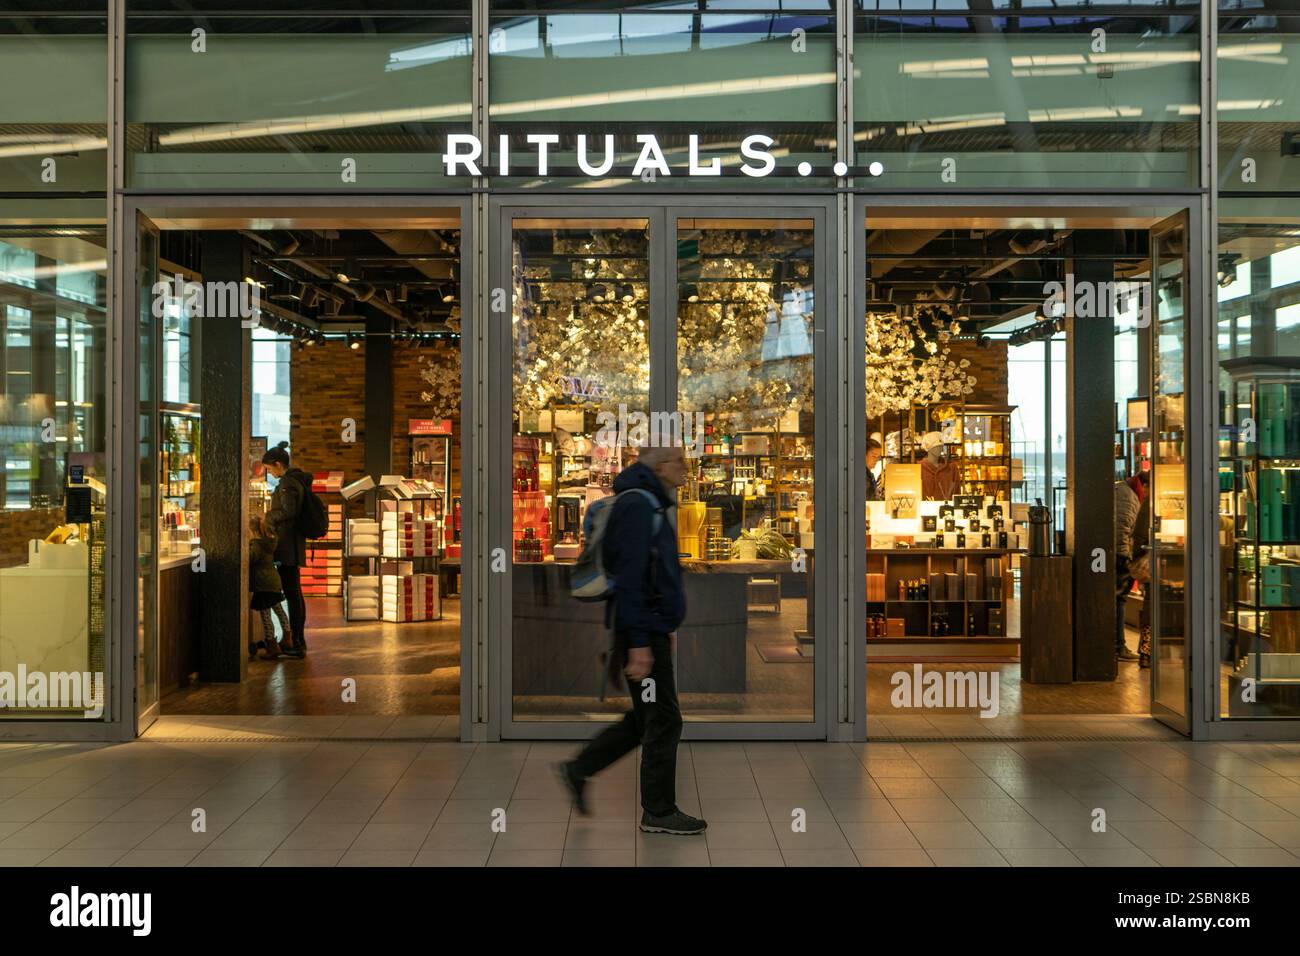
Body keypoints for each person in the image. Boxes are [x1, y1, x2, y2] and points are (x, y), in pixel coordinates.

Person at [557, 444, 707, 836]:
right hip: (641, 632)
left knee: (647, 716)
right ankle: (658, 810)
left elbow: (654, 574)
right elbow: (632, 578)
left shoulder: (649, 502)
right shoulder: (640, 506)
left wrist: (663, 628)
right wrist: (641, 642)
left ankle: (580, 768)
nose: (685, 469)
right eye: (679, 462)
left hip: (649, 629)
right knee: (663, 719)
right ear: (659, 466)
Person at [262, 441, 310, 658]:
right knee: (295, 594)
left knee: (292, 594)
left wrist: (268, 517)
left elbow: (288, 511)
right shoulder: (296, 481)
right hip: (293, 545)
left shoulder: (287, 484)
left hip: (287, 547)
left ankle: (296, 642)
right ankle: (297, 640)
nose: (269, 473)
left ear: (278, 464)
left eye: (269, 469)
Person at [1114, 469, 1152, 664]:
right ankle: (1119, 645)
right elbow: (1124, 529)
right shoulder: (1129, 497)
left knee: (1118, 599)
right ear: (1144, 486)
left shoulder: (1125, 491)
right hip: (1121, 555)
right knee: (1119, 599)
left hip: (1119, 553)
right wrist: (1127, 557)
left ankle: (1118, 645)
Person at [248, 515, 290, 661]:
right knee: (279, 610)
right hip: (273, 581)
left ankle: (272, 646)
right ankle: (287, 638)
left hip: (262, 584)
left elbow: (250, 558)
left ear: (252, 531)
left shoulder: (256, 545)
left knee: (265, 616)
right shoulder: (270, 542)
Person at [919, 431, 961, 500]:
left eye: (941, 446)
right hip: (925, 508)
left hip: (947, 508)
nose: (939, 448)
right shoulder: (919, 468)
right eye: (936, 446)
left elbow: (957, 492)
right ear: (928, 448)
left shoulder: (951, 467)